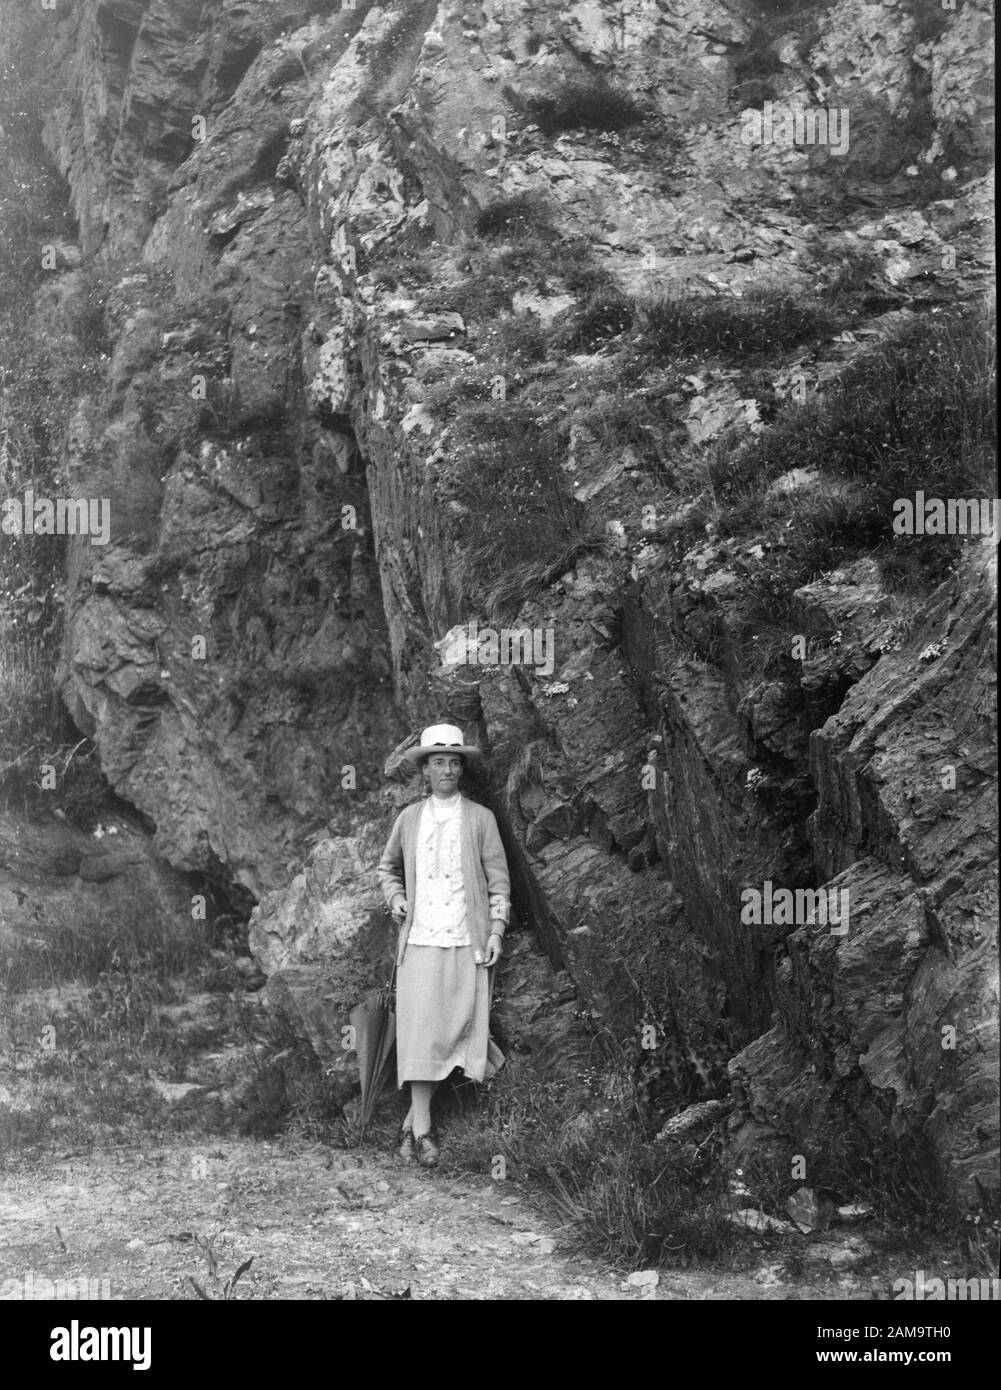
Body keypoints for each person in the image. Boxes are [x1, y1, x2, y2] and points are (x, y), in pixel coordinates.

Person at [377, 723, 510, 1167]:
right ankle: (425, 1130)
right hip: (418, 940)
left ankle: (412, 1124)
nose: (447, 770)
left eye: (454, 762)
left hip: (464, 940)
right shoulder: (409, 819)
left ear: (461, 769)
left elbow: (499, 881)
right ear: (426, 772)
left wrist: (495, 931)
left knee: (453, 1028)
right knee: (419, 1033)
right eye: (438, 762)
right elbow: (387, 869)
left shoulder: (480, 819)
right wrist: (396, 899)